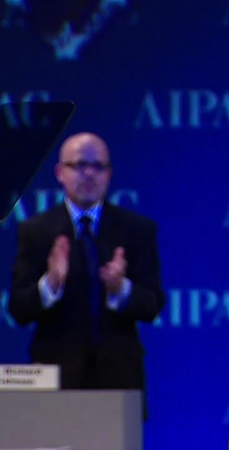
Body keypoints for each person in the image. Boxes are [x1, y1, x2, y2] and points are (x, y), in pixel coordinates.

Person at [8, 132, 165, 406]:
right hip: (55, 383)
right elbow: (19, 310)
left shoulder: (137, 229)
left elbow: (152, 304)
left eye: (98, 166)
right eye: (80, 165)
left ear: (109, 174)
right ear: (60, 173)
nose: (89, 174)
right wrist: (51, 284)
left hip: (119, 383)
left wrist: (121, 290)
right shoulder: (36, 232)